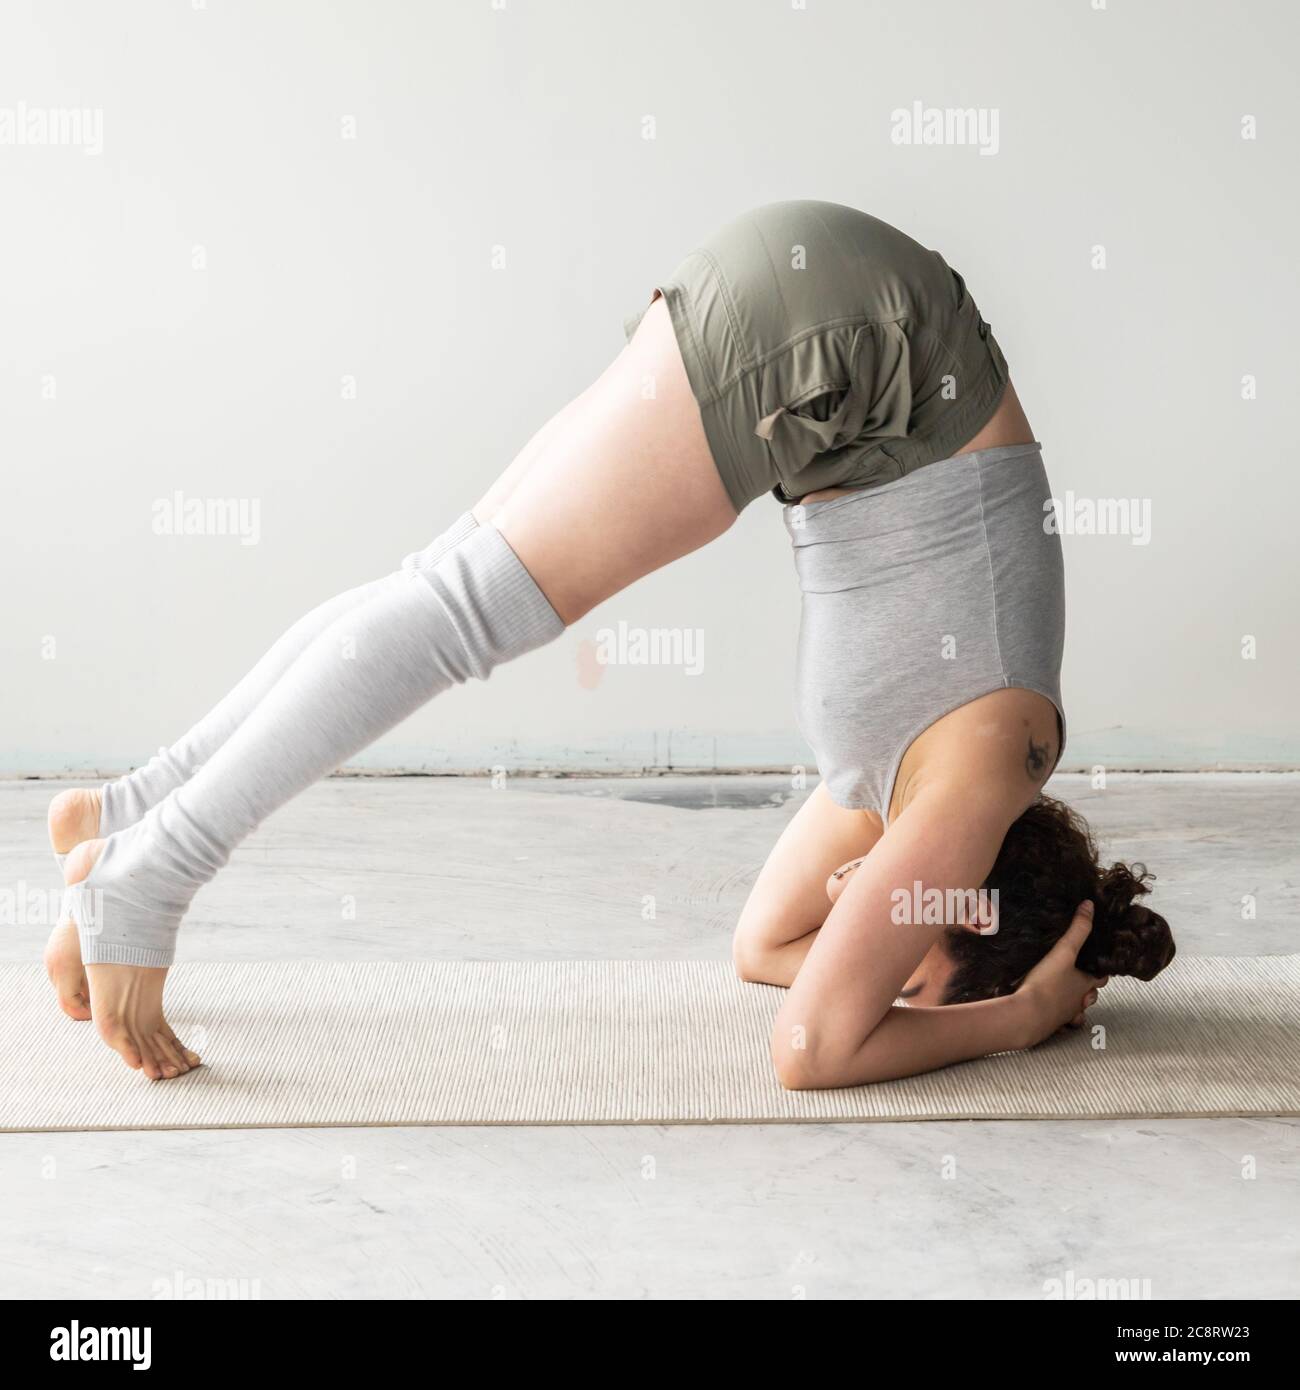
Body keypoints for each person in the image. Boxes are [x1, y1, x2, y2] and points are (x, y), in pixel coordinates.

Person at [44, 200, 1173, 1086]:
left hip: (832, 334)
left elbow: (766, 951)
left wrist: (923, 961)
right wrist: (1009, 1022)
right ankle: (154, 878)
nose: (875, 963)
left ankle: (137, 809)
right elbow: (816, 1048)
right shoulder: (970, 792)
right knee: (468, 612)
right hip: (847, 344)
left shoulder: (909, 789)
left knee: (439, 585)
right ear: (969, 904)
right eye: (914, 978)